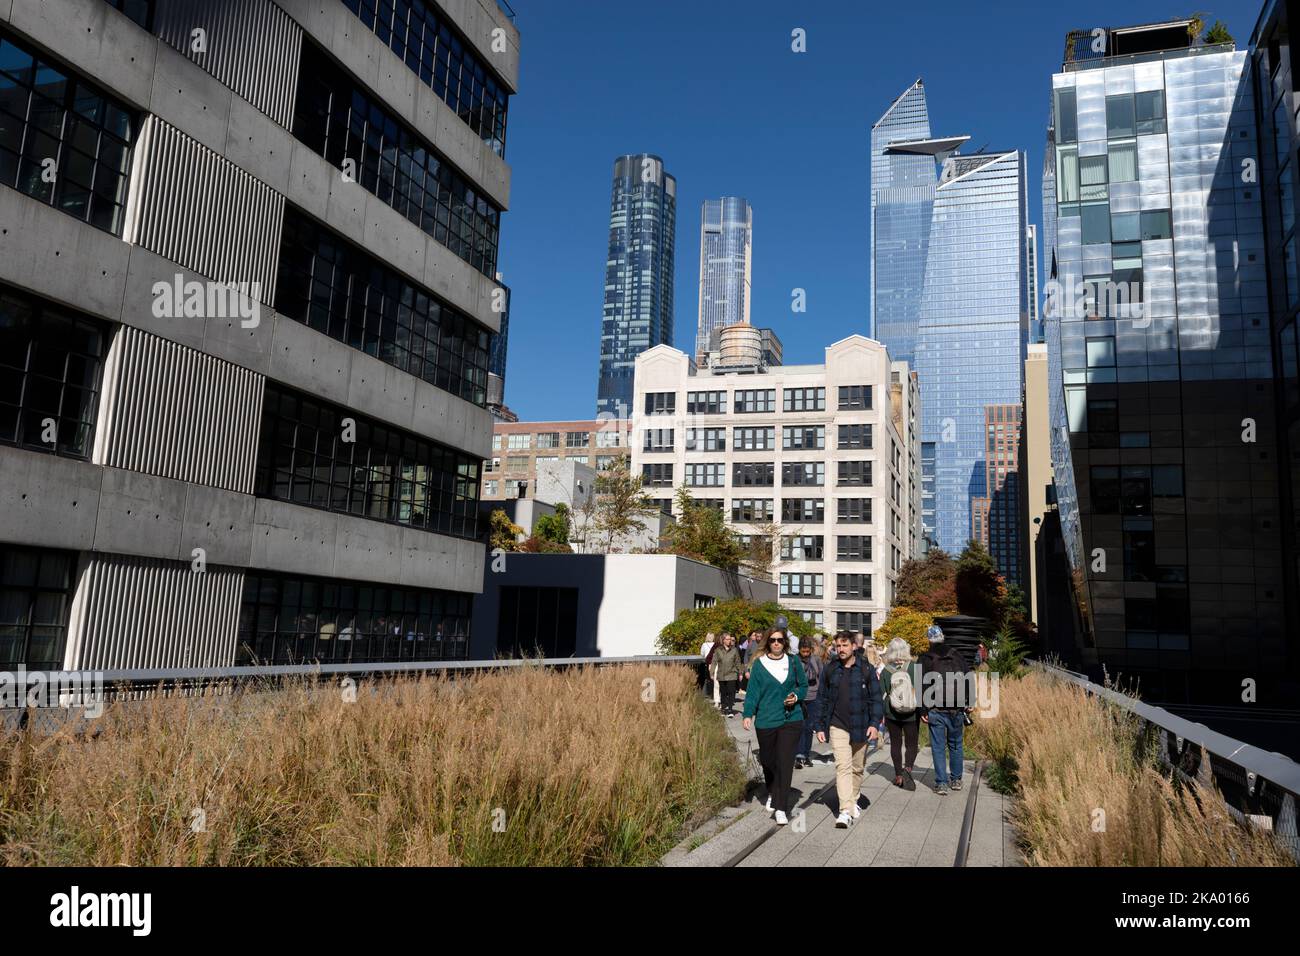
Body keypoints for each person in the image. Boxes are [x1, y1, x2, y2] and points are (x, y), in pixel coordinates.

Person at [815, 631, 883, 828]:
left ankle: (853, 798)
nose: (841, 649)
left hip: (861, 724)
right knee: (842, 766)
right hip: (838, 725)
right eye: (838, 646)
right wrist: (819, 726)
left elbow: (876, 699)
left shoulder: (866, 669)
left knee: (857, 767)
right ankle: (844, 810)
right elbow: (822, 699)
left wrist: (874, 723)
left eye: (845, 646)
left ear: (854, 646)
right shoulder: (830, 669)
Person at [742, 628, 807, 826]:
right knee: (769, 761)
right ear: (767, 642)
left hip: (791, 718)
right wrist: (747, 714)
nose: (777, 643)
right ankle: (773, 790)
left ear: (785, 642)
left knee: (785, 762)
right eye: (773, 640)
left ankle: (781, 807)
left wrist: (795, 696)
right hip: (766, 719)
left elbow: (803, 686)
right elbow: (752, 692)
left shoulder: (794, 661)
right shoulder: (759, 665)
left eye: (780, 640)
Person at [919, 624, 970, 795]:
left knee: (938, 746)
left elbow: (921, 686)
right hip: (957, 707)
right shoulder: (957, 655)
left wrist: (923, 710)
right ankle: (956, 780)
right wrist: (969, 702)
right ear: (943, 637)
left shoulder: (925, 658)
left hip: (936, 708)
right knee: (956, 745)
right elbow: (968, 677)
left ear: (929, 640)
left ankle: (941, 783)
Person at [880, 637, 921, 791]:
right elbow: (922, 690)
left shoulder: (886, 670)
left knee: (896, 744)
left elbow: (882, 694)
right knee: (912, 743)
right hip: (912, 713)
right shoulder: (915, 667)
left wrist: (884, 712)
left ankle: (898, 775)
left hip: (892, 714)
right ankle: (908, 770)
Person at [794, 637, 824, 769]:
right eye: (803, 651)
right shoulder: (794, 660)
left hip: (814, 696)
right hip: (799, 697)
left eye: (807, 651)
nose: (805, 654)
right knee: (800, 726)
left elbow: (821, 677)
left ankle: (806, 754)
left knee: (809, 727)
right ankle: (798, 754)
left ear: (811, 650)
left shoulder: (816, 660)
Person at [712, 633, 742, 717]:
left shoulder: (734, 650)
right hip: (721, 674)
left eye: (730, 639)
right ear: (723, 640)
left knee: (731, 692)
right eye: (728, 639)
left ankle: (730, 709)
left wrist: (740, 672)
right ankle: (723, 708)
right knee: (723, 692)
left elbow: (738, 662)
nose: (730, 641)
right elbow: (714, 661)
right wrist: (712, 672)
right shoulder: (718, 650)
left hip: (732, 674)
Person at [700, 631, 717, 698]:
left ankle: (709, 693)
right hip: (715, 662)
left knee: (708, 678)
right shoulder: (715, 644)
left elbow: (702, 654)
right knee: (715, 678)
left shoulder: (704, 645)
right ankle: (715, 693)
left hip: (708, 662)